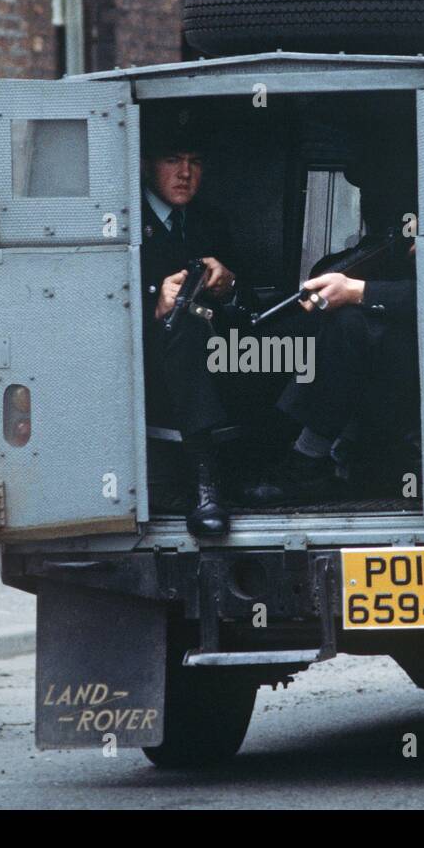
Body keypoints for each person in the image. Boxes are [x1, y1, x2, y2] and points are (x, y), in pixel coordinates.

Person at [243, 177, 420, 506]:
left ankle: (308, 459)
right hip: (381, 372)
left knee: (350, 323)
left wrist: (358, 292)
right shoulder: (383, 248)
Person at [139, 118, 240, 537]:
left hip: (214, 352)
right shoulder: (124, 218)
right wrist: (154, 301)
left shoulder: (211, 222)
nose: (185, 173)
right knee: (182, 331)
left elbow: (242, 301)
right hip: (142, 357)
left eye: (195, 162)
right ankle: (207, 481)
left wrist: (228, 284)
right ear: (147, 165)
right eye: (172, 160)